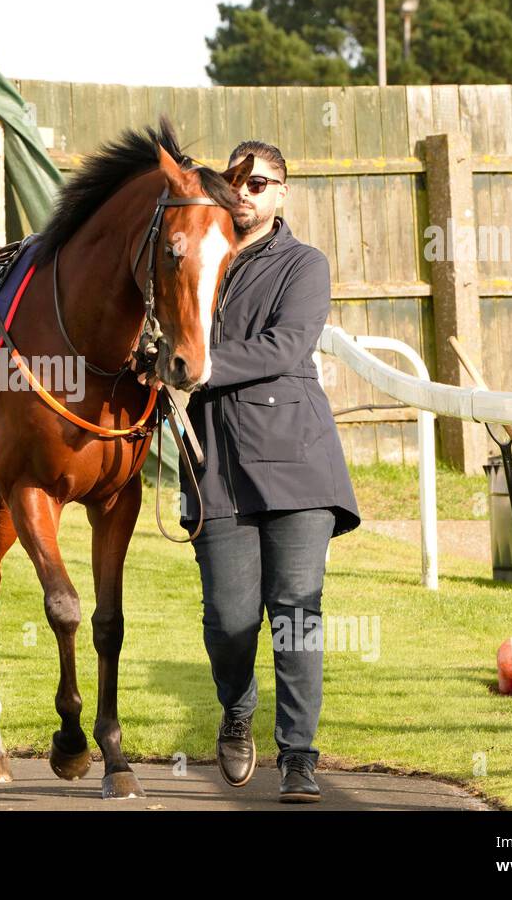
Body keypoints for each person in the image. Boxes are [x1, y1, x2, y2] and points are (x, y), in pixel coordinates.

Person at [178, 140, 361, 803]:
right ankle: (237, 705)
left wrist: (200, 366)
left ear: (282, 193)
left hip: (298, 464)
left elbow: (287, 346)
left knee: (296, 614)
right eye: (237, 181)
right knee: (229, 620)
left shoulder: (304, 264)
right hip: (215, 464)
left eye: (261, 182)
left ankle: (299, 758)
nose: (247, 192)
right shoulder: (197, 256)